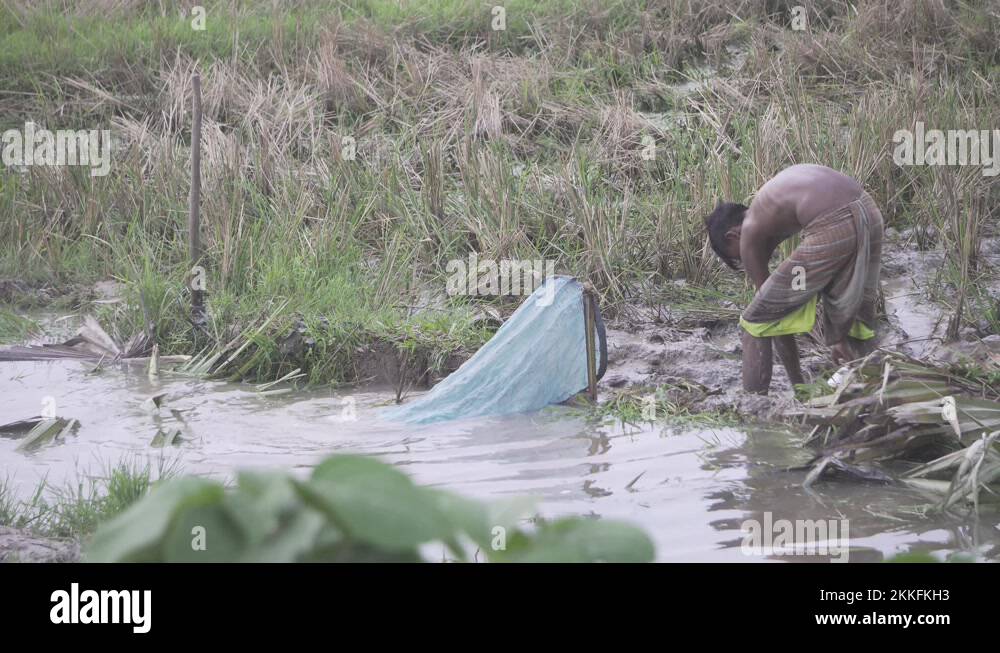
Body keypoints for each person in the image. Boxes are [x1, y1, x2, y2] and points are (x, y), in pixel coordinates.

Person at [704, 164, 883, 394]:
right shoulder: (770, 206)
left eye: (737, 256)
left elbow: (773, 319)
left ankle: (754, 411)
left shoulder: (748, 231)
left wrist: (798, 385)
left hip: (835, 220)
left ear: (733, 235)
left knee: (753, 323)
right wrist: (839, 334)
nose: (746, 260)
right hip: (869, 211)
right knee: (858, 322)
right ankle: (874, 391)